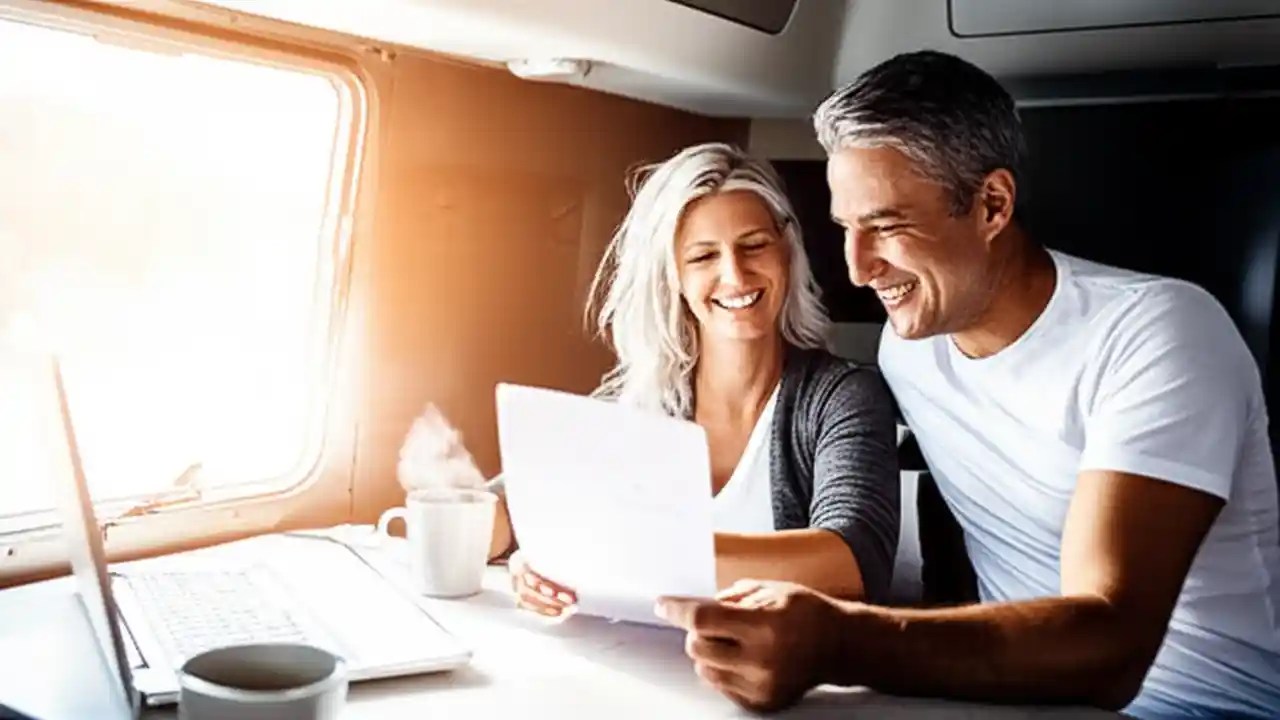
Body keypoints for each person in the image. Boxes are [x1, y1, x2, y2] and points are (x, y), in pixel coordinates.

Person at [656, 51, 1280, 719]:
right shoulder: (909, 351)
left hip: (1204, 707)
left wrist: (838, 642)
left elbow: (1112, 644)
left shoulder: (1157, 332)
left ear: (991, 205)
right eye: (846, 229)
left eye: (888, 225)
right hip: (1011, 700)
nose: (860, 269)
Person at [492, 142, 900, 615]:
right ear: (673, 279)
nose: (736, 275)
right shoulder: (634, 403)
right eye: (704, 257)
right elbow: (498, 513)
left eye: (753, 246)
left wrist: (637, 555)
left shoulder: (841, 397)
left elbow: (855, 564)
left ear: (786, 251)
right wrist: (538, 558)